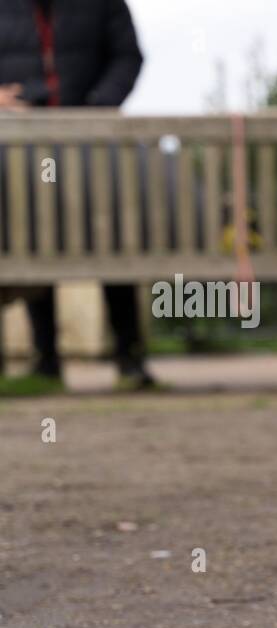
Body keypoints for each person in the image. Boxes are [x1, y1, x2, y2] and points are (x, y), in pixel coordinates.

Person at [0, 0, 155, 388]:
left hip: (92, 141)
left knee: (108, 240)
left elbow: (127, 57)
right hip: (20, 144)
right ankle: (46, 358)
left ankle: (129, 355)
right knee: (31, 242)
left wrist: (98, 106)